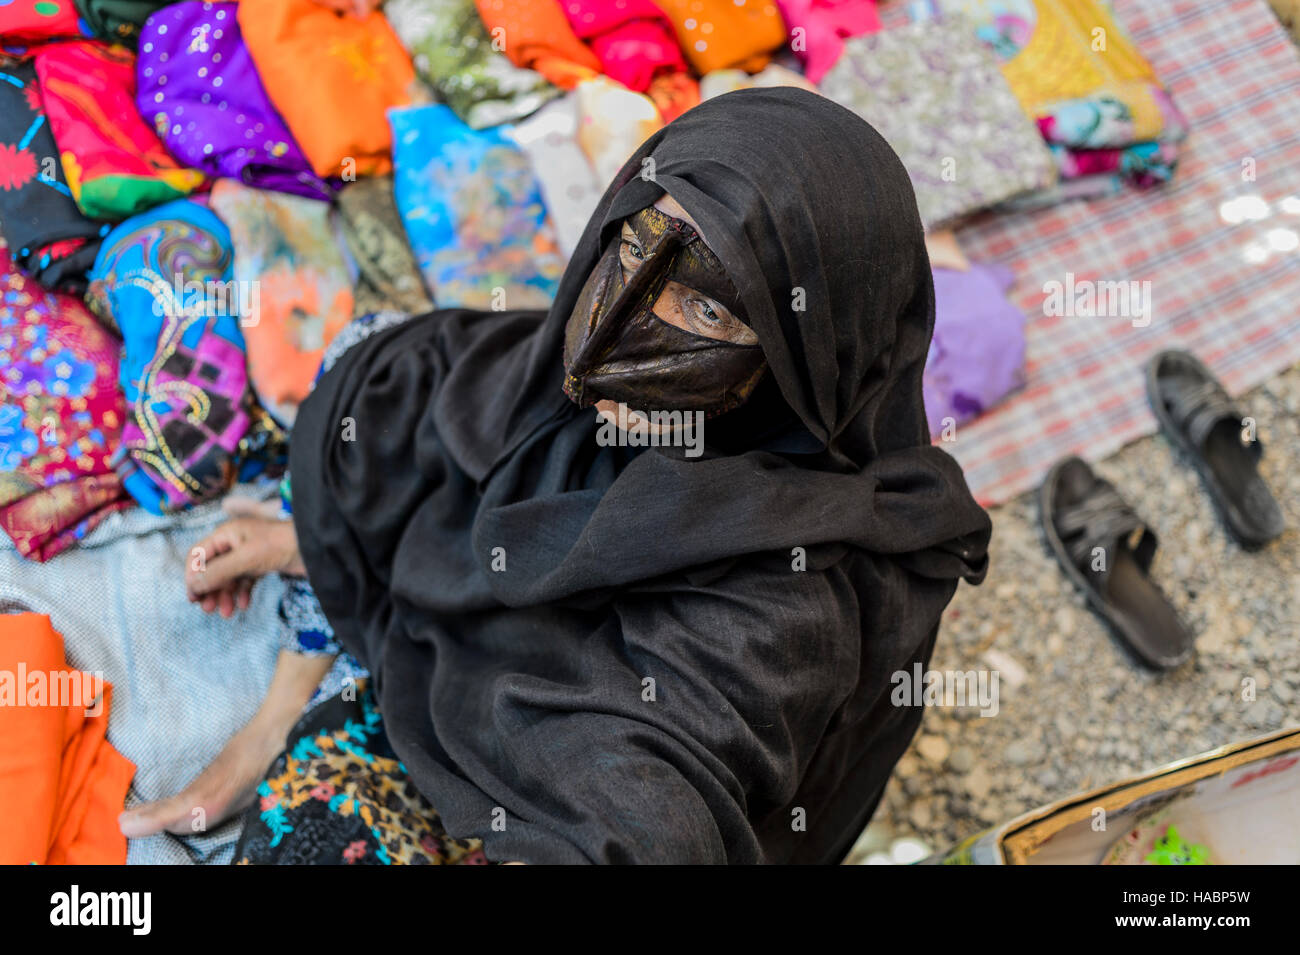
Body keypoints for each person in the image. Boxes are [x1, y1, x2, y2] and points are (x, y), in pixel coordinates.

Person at [121, 87, 991, 864]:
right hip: (445, 701)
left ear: (810, 355)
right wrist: (300, 552)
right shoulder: (544, 379)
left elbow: (662, 781)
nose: (606, 341)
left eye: (706, 305)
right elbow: (389, 408)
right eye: (638, 243)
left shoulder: (796, 597)